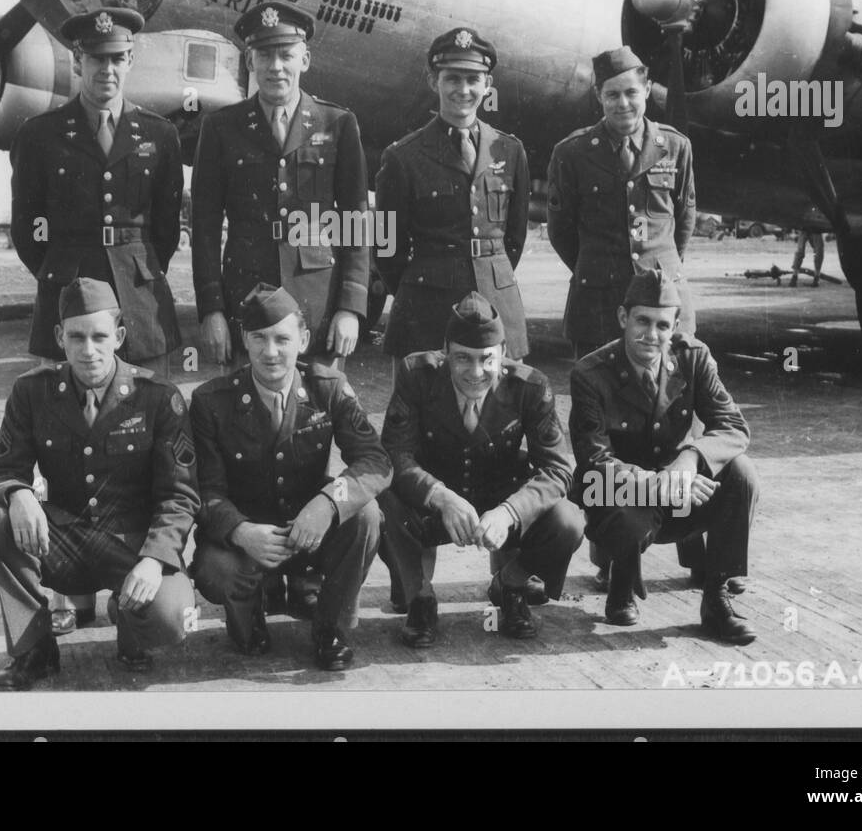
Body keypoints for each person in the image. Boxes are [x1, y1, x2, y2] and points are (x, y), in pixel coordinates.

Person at [0, 278, 199, 688]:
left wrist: (154, 560)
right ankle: (34, 649)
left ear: (120, 337)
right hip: (64, 539)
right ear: (59, 337)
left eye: (99, 337)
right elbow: (2, 470)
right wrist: (18, 493)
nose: (88, 350)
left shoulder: (158, 397)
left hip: (132, 544)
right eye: (76, 337)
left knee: (172, 619)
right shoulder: (31, 392)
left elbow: (180, 496)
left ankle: (131, 624)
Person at [546, 45, 700, 582]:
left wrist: (661, 282)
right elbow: (562, 230)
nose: (622, 102)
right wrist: (601, 274)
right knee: (600, 431)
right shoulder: (572, 152)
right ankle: (611, 549)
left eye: (631, 92)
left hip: (664, 308)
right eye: (612, 94)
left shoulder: (674, 147)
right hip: (597, 306)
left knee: (679, 417)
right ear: (599, 97)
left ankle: (695, 544)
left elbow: (683, 220)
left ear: (646, 87)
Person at [190, 284, 390, 671]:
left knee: (366, 515)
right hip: (246, 542)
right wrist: (241, 532)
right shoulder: (210, 402)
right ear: (243, 340)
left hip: (308, 532)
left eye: (282, 339)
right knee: (216, 569)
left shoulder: (326, 388)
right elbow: (205, 490)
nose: (270, 352)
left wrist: (329, 502)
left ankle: (331, 627)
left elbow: (374, 460)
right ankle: (250, 612)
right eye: (258, 339)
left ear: (304, 339)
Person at [377, 293, 584, 647]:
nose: (475, 373)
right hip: (433, 505)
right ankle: (420, 598)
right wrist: (439, 496)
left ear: (503, 352)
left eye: (486, 359)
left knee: (569, 521)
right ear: (445, 353)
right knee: (381, 499)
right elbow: (395, 455)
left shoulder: (530, 387)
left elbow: (557, 468)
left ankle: (511, 585)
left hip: (498, 502)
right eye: (462, 359)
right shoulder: (417, 375)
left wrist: (509, 512)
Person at [568, 270, 758, 644]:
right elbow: (593, 461)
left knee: (741, 474)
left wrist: (689, 459)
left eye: (662, 325)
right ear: (624, 318)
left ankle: (716, 598)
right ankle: (620, 582)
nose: (651, 335)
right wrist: (659, 484)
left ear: (674, 327)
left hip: (680, 489)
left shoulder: (693, 359)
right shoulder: (591, 374)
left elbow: (734, 427)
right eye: (641, 321)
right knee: (619, 506)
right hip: (616, 497)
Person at [190, 0, 369, 369]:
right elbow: (204, 228)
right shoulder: (221, 128)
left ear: (304, 59)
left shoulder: (337, 125)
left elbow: (356, 222)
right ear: (249, 61)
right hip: (247, 299)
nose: (275, 67)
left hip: (316, 303)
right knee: (247, 417)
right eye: (263, 55)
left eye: (286, 55)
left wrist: (351, 307)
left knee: (319, 415)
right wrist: (212, 310)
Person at [10, 6, 184, 377]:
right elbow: (28, 228)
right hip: (67, 293)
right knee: (65, 414)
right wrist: (56, 270)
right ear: (77, 61)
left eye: (117, 58)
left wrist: (141, 269)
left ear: (130, 60)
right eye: (96, 59)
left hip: (141, 302)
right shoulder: (40, 135)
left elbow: (166, 228)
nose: (107, 69)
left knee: (147, 412)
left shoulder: (160, 134)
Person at [375, 27, 530, 362]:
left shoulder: (510, 150)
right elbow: (387, 246)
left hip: (497, 304)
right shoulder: (403, 156)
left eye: (474, 79)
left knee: (499, 408)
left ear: (488, 85)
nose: (464, 89)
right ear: (434, 81)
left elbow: (514, 237)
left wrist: (492, 272)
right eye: (453, 79)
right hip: (428, 309)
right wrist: (418, 287)